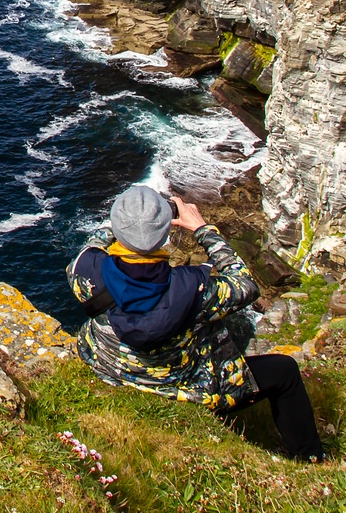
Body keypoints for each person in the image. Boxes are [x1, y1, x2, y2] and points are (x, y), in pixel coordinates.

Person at [67, 184, 326, 462]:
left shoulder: (83, 270)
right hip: (181, 387)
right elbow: (246, 285)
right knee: (285, 371)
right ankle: (309, 458)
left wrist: (128, 221)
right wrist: (202, 229)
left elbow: (92, 246)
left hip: (108, 368)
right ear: (164, 233)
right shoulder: (195, 290)